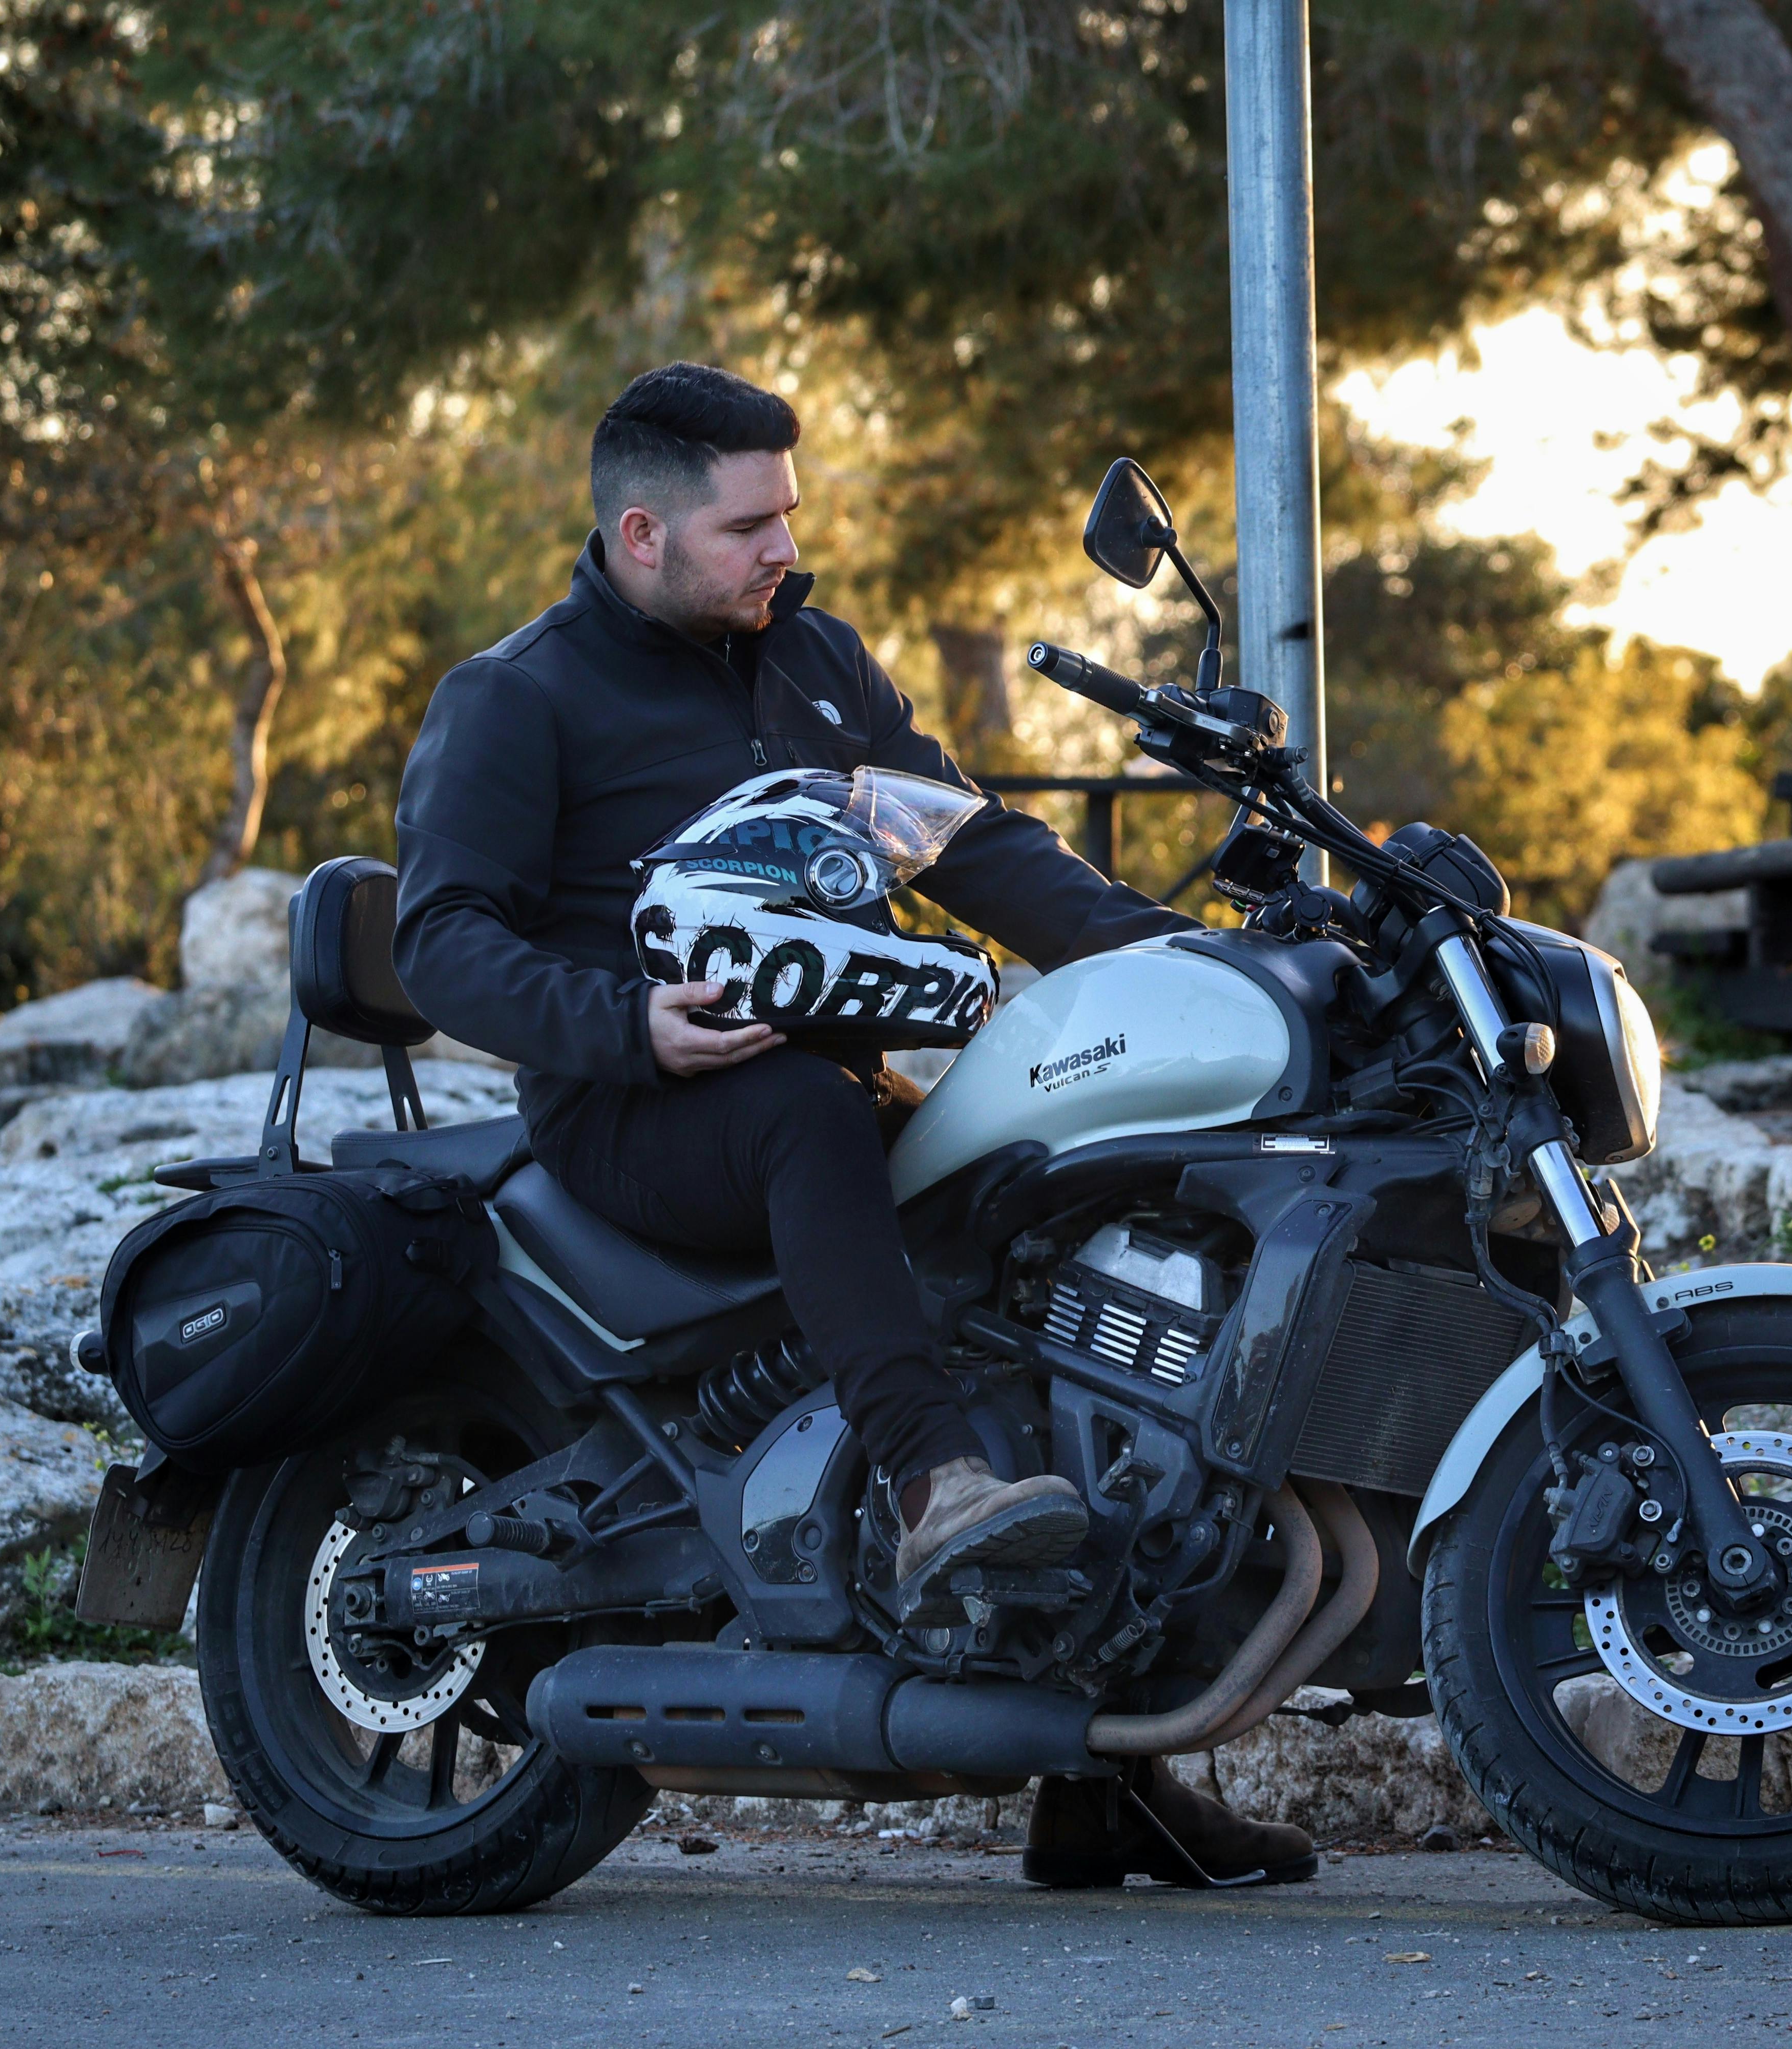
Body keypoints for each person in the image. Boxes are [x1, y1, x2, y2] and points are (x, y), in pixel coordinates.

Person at [392, 361, 1315, 1889]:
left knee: (1082, 1210)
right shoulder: (522, 695)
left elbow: (973, 847)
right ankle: (934, 1482)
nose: (783, 548)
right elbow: (443, 941)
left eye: (789, 514)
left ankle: (1110, 1784)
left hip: (852, 1070)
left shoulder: (813, 659)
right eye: (749, 525)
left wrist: (1181, 962)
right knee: (795, 1116)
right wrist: (627, 1024)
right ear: (641, 534)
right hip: (646, 1106)